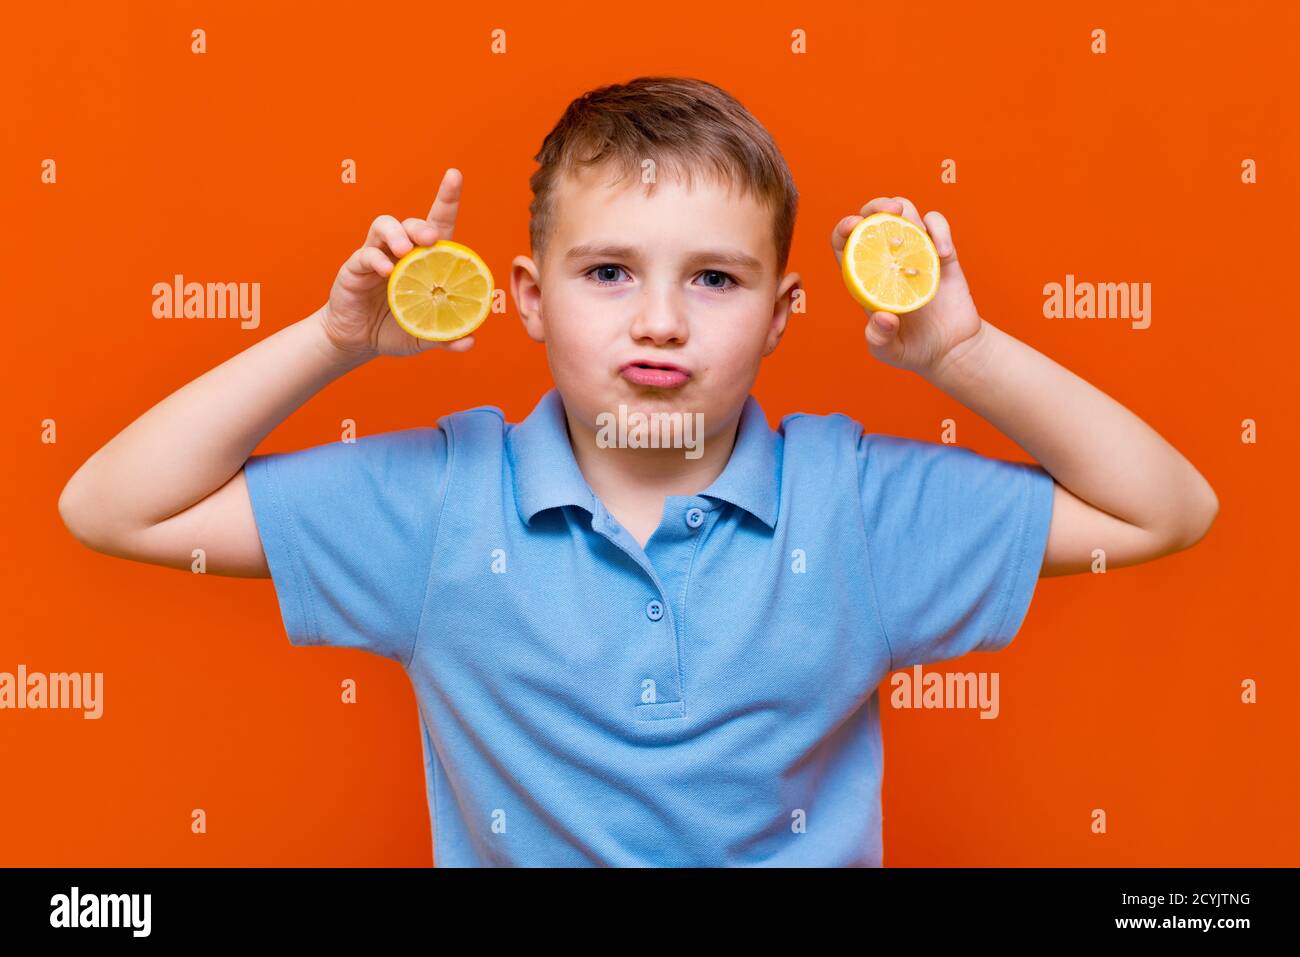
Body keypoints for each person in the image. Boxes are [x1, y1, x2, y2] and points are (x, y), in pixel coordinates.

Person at [57, 75, 1218, 866]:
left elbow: (1166, 509)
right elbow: (111, 505)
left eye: (713, 279)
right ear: (523, 297)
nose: (658, 321)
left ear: (780, 314)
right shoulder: (442, 504)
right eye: (608, 271)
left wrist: (964, 354)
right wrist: (335, 341)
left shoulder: (851, 503)